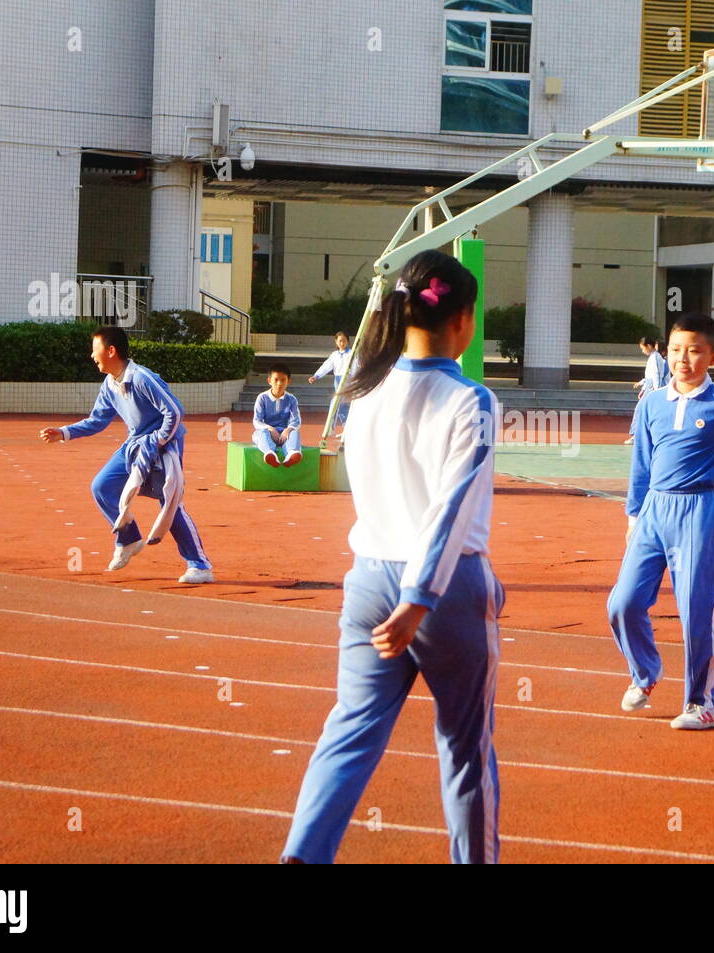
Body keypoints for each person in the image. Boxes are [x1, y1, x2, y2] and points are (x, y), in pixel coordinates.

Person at [282, 250, 503, 863]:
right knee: (465, 748)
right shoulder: (471, 400)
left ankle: (303, 853)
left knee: (349, 731)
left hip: (367, 579)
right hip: (444, 589)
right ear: (464, 321)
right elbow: (452, 507)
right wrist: (420, 597)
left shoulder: (363, 390)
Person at [609, 313, 714, 730]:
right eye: (675, 350)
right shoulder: (651, 402)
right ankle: (645, 673)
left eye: (694, 351)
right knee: (622, 603)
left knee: (695, 610)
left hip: (698, 511)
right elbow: (642, 461)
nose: (683, 359)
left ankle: (703, 703)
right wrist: (633, 514)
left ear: (713, 356)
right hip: (652, 511)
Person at [38, 325, 214, 584]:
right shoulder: (110, 384)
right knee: (102, 486)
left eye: (95, 349)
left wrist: (159, 441)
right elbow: (97, 420)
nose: (92, 355)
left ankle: (200, 565)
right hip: (134, 445)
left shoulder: (142, 378)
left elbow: (174, 412)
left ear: (111, 350)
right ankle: (129, 538)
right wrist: (64, 432)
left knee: (169, 503)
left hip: (165, 447)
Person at [252, 363, 303, 467]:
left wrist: (288, 430)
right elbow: (257, 421)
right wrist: (270, 428)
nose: (279, 383)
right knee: (261, 434)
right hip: (267, 432)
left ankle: (292, 453)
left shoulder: (292, 399)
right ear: (269, 381)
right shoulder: (262, 398)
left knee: (294, 433)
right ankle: (270, 453)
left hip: (284, 434)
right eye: (276, 380)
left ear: (289, 381)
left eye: (283, 380)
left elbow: (296, 421)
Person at [307, 330, 353, 435]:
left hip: (348, 381)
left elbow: (358, 366)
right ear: (336, 342)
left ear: (348, 342)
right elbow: (326, 366)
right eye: (340, 341)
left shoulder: (351, 354)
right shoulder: (334, 355)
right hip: (338, 381)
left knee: (338, 404)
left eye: (344, 341)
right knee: (340, 406)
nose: (342, 343)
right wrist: (316, 376)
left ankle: (333, 428)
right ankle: (341, 429)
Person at [624, 336, 668, 445]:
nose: (643, 351)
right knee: (644, 411)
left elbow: (657, 375)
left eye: (643, 348)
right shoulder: (653, 357)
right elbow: (650, 376)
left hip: (653, 387)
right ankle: (640, 435)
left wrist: (656, 391)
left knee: (640, 410)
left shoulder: (655, 357)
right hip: (650, 386)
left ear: (648, 346)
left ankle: (637, 435)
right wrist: (643, 386)